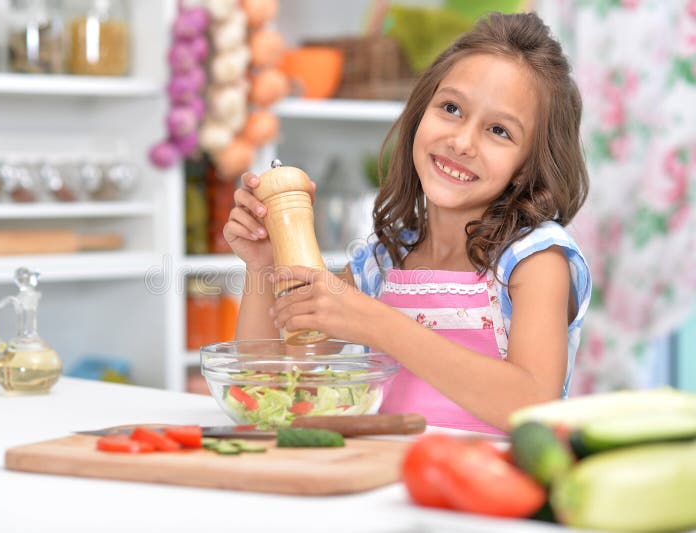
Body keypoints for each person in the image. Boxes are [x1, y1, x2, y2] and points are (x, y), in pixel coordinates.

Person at [222, 11, 591, 433]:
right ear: (420, 114)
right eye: (451, 108)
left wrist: (376, 322)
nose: (462, 141)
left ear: (527, 167)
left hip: (490, 491)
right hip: (390, 487)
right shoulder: (381, 264)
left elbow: (532, 405)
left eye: (499, 131)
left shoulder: (533, 261)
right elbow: (271, 384)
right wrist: (265, 266)